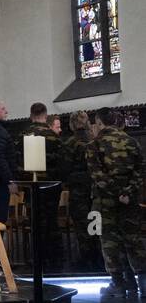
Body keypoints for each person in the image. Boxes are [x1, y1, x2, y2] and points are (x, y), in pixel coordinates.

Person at [86, 108, 145, 296]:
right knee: (133, 240)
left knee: (110, 242)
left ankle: (118, 284)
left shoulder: (94, 145)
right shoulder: (132, 142)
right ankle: (143, 283)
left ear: (99, 122)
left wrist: (116, 192)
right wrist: (127, 192)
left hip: (106, 201)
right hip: (130, 200)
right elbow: (140, 171)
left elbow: (98, 176)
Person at [60, 110, 100, 270]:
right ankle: (99, 259)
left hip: (78, 190)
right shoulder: (95, 140)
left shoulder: (70, 143)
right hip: (96, 189)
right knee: (96, 223)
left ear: (72, 124)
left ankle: (86, 260)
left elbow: (64, 167)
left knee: (82, 226)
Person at [26, 102, 63, 265]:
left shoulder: (24, 134)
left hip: (31, 186)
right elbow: (60, 161)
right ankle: (54, 258)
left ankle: (36, 258)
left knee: (34, 221)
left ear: (31, 115)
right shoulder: (52, 135)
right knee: (51, 220)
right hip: (51, 184)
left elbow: (18, 161)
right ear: (45, 116)